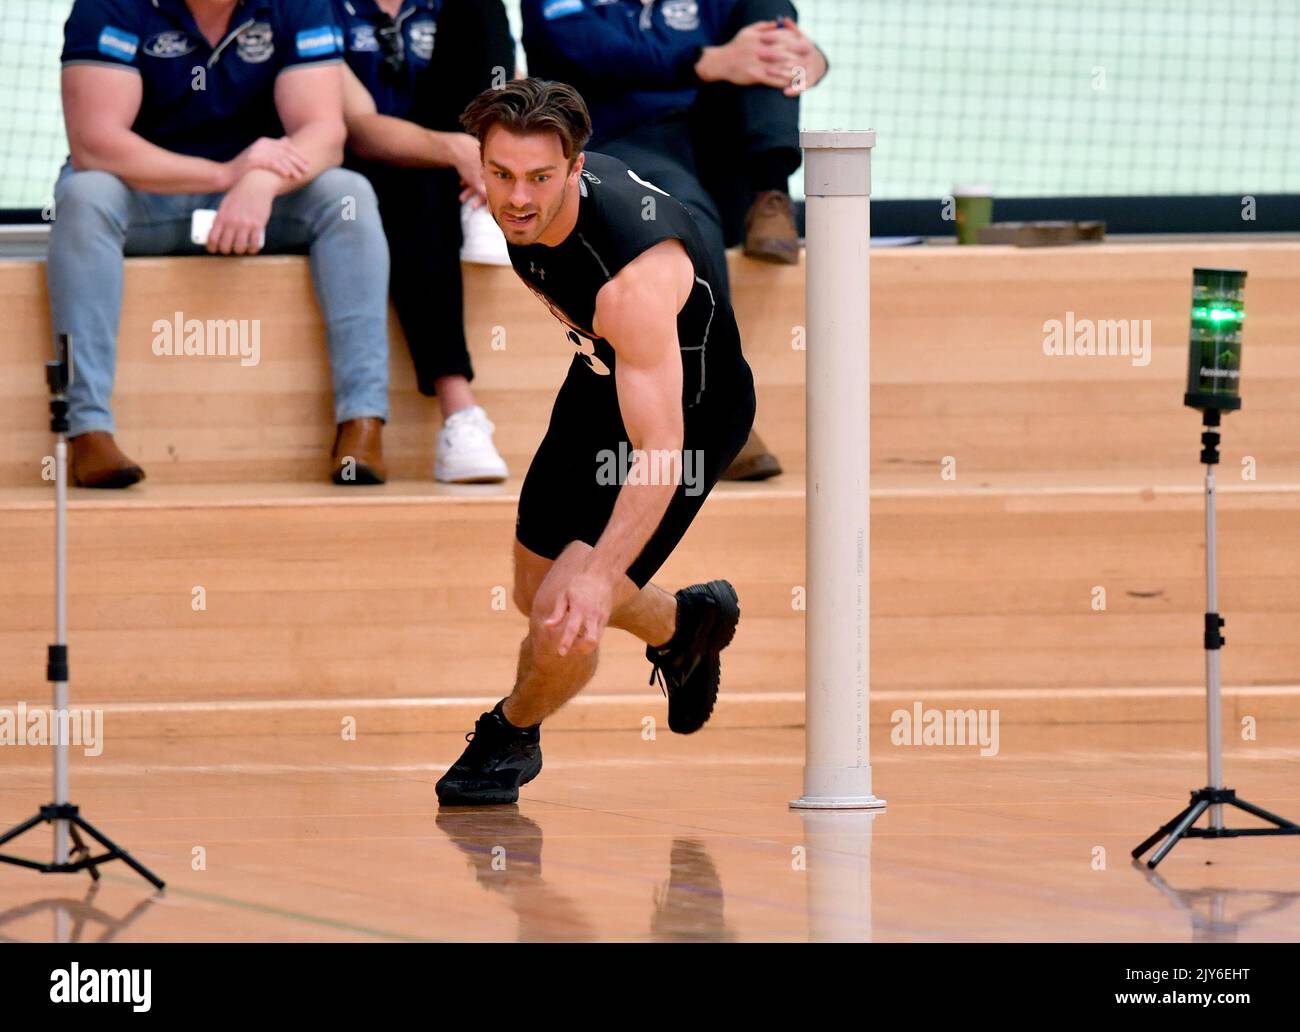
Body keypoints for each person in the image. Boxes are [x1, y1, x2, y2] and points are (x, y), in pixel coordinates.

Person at [436, 78, 755, 806]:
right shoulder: (517, 198)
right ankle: (684, 626)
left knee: (565, 609)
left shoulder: (631, 282)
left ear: (576, 169)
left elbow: (662, 451)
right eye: (502, 174)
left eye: (540, 178)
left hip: (688, 417)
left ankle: (508, 737)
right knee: (532, 592)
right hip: (600, 380)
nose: (516, 197)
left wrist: (600, 571)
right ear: (478, 162)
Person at [49, 0, 390, 487]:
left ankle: (363, 422)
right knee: (84, 195)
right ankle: (87, 431)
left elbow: (325, 133)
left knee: (348, 194)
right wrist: (228, 173)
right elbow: (95, 143)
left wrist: (261, 183)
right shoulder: (109, 6)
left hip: (260, 201)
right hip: (149, 198)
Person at [521, 0, 831, 482]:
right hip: (614, 141)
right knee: (683, 214)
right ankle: (715, 406)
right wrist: (703, 59)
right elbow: (591, 51)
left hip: (710, 146)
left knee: (767, 12)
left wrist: (810, 58)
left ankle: (771, 193)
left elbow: (761, 38)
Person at [334, 0, 515, 481]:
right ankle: (459, 410)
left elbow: (505, 78)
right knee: (413, 193)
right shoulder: (322, 8)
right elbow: (357, 128)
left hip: (455, 157)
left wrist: (481, 154)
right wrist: (454, 151)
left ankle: (485, 193)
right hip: (366, 163)